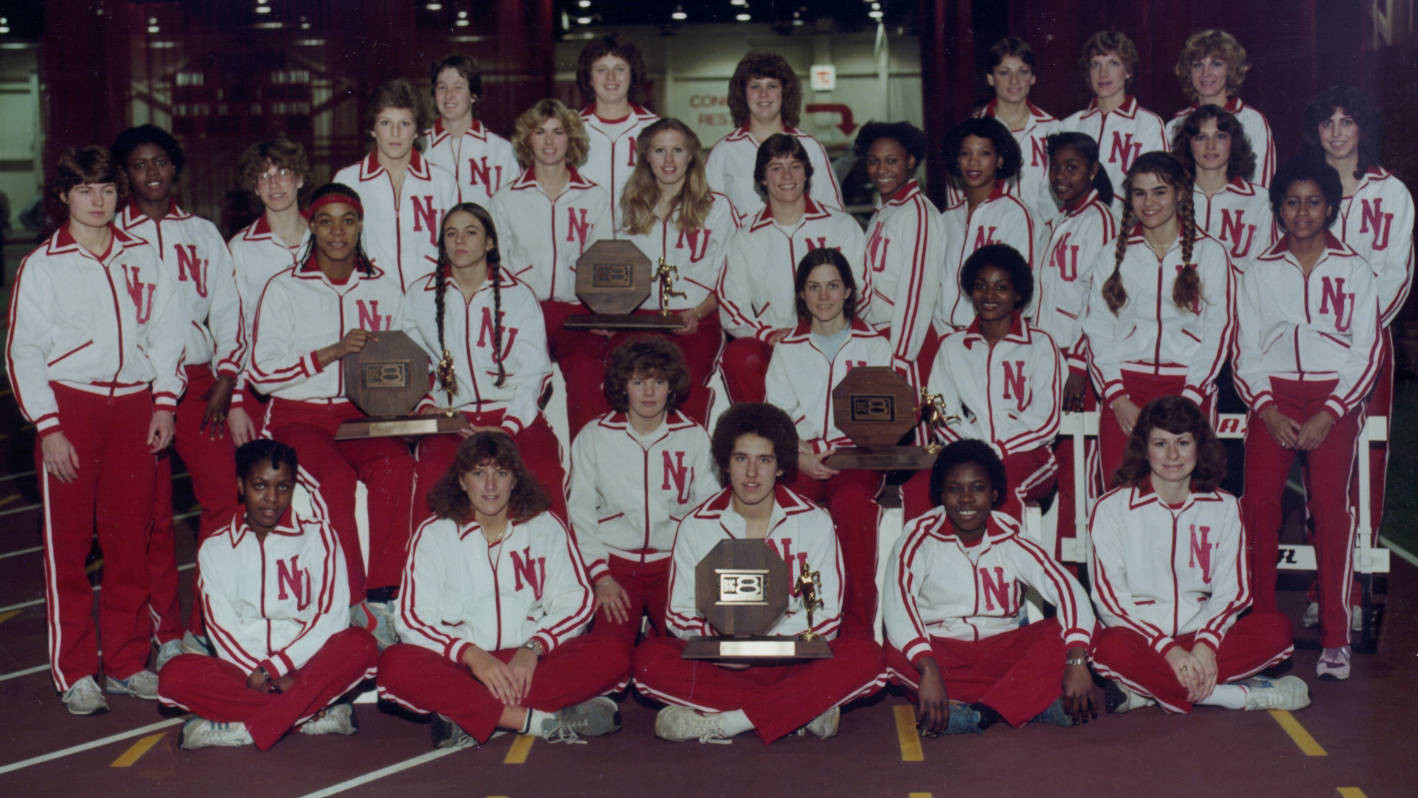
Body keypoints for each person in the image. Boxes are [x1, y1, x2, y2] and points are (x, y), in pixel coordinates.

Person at [6, 145, 185, 714]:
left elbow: (168, 331)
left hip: (135, 407)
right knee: (69, 548)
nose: (98, 201)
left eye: (107, 189)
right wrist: (49, 426)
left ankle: (128, 662)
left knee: (130, 544)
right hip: (72, 409)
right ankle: (76, 670)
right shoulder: (43, 265)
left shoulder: (142, 256)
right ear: (64, 196)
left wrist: (164, 401)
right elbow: (23, 351)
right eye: (85, 190)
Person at [633, 403, 886, 744]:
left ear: (781, 466)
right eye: (741, 459)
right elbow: (679, 612)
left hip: (791, 660)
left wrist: (760, 646)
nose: (751, 473)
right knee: (648, 662)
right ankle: (800, 708)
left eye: (764, 460)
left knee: (866, 657)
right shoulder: (696, 525)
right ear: (725, 463)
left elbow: (823, 616)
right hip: (722, 662)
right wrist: (726, 644)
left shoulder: (813, 521)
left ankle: (730, 721)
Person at [247, 183, 417, 649]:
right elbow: (261, 374)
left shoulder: (383, 287)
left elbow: (406, 357)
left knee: (397, 464)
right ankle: (353, 600)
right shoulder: (285, 287)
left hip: (361, 414)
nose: (337, 231)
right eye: (326, 221)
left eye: (347, 220)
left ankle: (383, 595)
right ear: (312, 228)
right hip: (298, 415)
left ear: (360, 226)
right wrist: (332, 351)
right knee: (336, 481)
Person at [377, 433, 626, 748]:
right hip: (464, 667)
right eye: (478, 473)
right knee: (395, 664)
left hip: (528, 665)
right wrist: (472, 655)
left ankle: (469, 714)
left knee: (614, 651)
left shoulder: (545, 526)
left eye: (501, 473)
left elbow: (576, 601)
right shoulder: (434, 534)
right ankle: (533, 721)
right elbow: (413, 618)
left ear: (515, 480)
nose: (491, 486)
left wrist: (534, 647)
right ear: (462, 481)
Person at [1234, 158, 1380, 681]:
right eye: (1292, 202)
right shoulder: (1258, 270)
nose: (1302, 212)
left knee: (1329, 510)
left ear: (1330, 208)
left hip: (1331, 399)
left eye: (1313, 201)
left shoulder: (1355, 269)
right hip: (1272, 398)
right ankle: (1263, 631)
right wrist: (1266, 408)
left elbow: (1366, 352)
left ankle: (1336, 638)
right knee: (1259, 507)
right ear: (1278, 209)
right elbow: (1245, 351)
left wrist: (1332, 411)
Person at [111, 124, 246, 669]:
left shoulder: (203, 232)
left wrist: (226, 377)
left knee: (223, 500)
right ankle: (164, 631)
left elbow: (228, 307)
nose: (152, 173)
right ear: (125, 174)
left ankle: (205, 624)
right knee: (152, 514)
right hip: (139, 386)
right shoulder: (112, 235)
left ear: (175, 166)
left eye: (161, 161)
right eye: (139, 164)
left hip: (198, 383)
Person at [1088, 397, 1308, 714]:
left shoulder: (1225, 506)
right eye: (1160, 443)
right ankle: (1236, 696)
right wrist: (1168, 650)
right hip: (1145, 640)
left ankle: (1147, 692)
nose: (1172, 455)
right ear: (1144, 448)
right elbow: (1110, 601)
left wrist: (1207, 644)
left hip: (1202, 638)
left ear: (1199, 446)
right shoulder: (1111, 509)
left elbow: (1234, 590)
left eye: (1183, 442)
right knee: (1108, 648)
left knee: (1275, 629)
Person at [157, 440, 378, 749]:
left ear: (293, 488)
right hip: (245, 672)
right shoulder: (216, 548)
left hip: (307, 665)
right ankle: (308, 714)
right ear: (240, 485)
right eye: (259, 485)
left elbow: (331, 617)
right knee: (174, 675)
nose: (271, 498)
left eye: (283, 487)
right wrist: (262, 673)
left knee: (360, 645)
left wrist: (277, 668)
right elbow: (222, 630)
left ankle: (246, 728)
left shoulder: (319, 536)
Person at [884, 440, 1097, 735]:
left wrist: (1075, 658)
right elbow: (898, 607)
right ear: (940, 495)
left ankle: (980, 715)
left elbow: (1067, 589)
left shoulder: (1010, 535)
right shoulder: (918, 538)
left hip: (1000, 653)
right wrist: (928, 667)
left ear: (994, 493)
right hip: (943, 657)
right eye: (954, 489)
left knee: (1074, 631)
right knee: (893, 653)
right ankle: (1027, 704)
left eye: (978, 488)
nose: (966, 499)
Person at [403, 203, 567, 522]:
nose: (460, 240)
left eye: (471, 232)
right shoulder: (418, 295)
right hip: (451, 418)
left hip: (511, 414)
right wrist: (427, 406)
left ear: (490, 242)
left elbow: (536, 372)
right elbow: (412, 366)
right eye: (451, 234)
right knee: (432, 472)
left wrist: (509, 426)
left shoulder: (518, 295)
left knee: (543, 467)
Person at [1303, 86, 1413, 546]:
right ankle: (1323, 566)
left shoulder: (1391, 191)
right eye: (1327, 122)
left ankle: (1362, 558)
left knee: (1369, 450)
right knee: (1316, 453)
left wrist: (1358, 333)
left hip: (1369, 344)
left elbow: (1397, 273)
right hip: (1310, 345)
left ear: (1362, 127)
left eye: (1346, 121)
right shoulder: (1302, 191)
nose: (1336, 132)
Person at [764, 248, 895, 636]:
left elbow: (883, 414)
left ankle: (856, 632)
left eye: (833, 286)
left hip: (857, 458)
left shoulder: (874, 345)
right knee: (785, 508)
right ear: (801, 295)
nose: (824, 297)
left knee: (852, 505)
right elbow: (779, 413)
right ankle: (790, 624)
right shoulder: (787, 348)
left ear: (849, 290)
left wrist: (840, 444)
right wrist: (800, 454)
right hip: (803, 456)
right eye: (814, 287)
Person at [1082, 151, 1234, 485]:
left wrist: (1191, 397)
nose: (1149, 203)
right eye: (1139, 193)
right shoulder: (1113, 254)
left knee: (1188, 495)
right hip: (1125, 389)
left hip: (1187, 386)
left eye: (1159, 192)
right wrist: (1116, 396)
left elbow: (1218, 332)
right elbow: (1097, 329)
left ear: (1180, 193)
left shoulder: (1210, 253)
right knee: (1122, 493)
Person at [579, 117, 738, 427]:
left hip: (695, 318)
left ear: (691, 156)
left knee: (683, 382)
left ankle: (686, 452)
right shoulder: (626, 205)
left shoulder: (716, 207)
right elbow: (600, 265)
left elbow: (731, 277)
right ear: (646, 157)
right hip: (638, 318)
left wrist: (698, 312)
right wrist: (606, 311)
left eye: (677, 150)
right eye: (659, 150)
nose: (668, 160)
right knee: (622, 380)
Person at [568, 338, 717, 649]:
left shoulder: (693, 436)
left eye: (658, 382)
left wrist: (694, 570)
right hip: (616, 566)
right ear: (623, 386)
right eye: (638, 382)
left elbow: (709, 511)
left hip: (673, 565)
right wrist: (601, 577)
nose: (649, 393)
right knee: (609, 651)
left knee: (691, 647)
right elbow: (580, 513)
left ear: (670, 386)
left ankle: (653, 640)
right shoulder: (595, 436)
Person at [907, 245, 1061, 522]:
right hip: (965, 453)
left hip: (1027, 454)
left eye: (1001, 287)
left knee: (1001, 489)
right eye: (981, 286)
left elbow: (1045, 419)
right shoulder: (953, 347)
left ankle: (1004, 553)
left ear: (1018, 294)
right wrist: (971, 450)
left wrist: (997, 450)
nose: (989, 296)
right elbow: (939, 411)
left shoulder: (1040, 344)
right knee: (917, 489)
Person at [490, 97, 611, 435]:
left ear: (571, 140)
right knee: (520, 376)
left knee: (587, 370)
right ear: (527, 139)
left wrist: (601, 312)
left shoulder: (594, 197)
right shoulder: (506, 198)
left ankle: (589, 458)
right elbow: (498, 267)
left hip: (577, 312)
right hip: (527, 312)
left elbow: (605, 263)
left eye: (558, 132)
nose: (548, 140)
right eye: (539, 132)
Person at [717, 134, 868, 403]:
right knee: (740, 355)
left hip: (832, 336)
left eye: (795, 166)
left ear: (806, 173)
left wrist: (825, 328)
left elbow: (861, 289)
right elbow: (732, 305)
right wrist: (766, 334)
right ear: (763, 178)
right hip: (774, 342)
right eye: (776, 168)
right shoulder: (745, 238)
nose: (787, 176)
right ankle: (762, 428)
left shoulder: (840, 225)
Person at [1035, 132, 1116, 556]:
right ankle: (1058, 568)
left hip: (1075, 367)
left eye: (1072, 167)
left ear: (1093, 170)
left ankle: (1079, 573)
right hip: (1049, 361)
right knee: (1057, 469)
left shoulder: (1100, 220)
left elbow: (1100, 302)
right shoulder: (1060, 221)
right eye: (1055, 167)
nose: (1061, 176)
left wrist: (1080, 364)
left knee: (1079, 473)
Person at [333, 78, 458, 290]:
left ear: (417, 130)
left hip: (430, 298)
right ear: (372, 129)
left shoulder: (443, 182)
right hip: (370, 297)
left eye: (405, 123)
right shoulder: (347, 181)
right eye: (385, 123)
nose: (395, 133)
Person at [705, 51, 844, 220]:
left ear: (785, 92)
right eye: (754, 86)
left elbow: (833, 213)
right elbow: (707, 216)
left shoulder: (810, 147)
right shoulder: (724, 151)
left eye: (772, 86)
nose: (763, 94)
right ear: (742, 94)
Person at [934, 117, 1037, 337]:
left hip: (992, 336)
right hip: (946, 337)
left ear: (999, 160)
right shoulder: (947, 218)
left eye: (984, 153)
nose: (973, 162)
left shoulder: (1014, 213)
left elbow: (1022, 287)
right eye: (965, 153)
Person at [855, 121, 944, 375]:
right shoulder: (885, 211)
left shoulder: (917, 213)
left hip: (906, 345)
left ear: (911, 161)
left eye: (892, 161)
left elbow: (917, 292)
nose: (882, 169)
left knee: (918, 404)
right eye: (874, 161)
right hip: (880, 339)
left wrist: (900, 360)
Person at [1061, 31, 1168, 203]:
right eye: (1096, 64)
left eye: (1113, 63)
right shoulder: (1070, 125)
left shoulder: (1148, 124)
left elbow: (1159, 185)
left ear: (1128, 71)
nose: (1103, 73)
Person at [1170, 105, 1276, 269]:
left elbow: (1263, 267)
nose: (1210, 145)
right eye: (1200, 137)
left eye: (1220, 136)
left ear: (1233, 143)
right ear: (1188, 144)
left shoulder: (1260, 200)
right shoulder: (1171, 197)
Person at [1165, 30, 1275, 187]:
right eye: (1198, 65)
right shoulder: (1175, 125)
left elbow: (1262, 187)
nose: (1205, 73)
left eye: (1216, 64)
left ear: (1231, 70)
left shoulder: (1253, 121)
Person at [972, 36, 1061, 219]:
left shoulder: (1053, 128)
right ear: (990, 78)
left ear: (1033, 77)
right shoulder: (973, 129)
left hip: (1043, 233)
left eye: (1023, 71)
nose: (1014, 81)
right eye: (1004, 72)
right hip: (989, 231)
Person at [576, 34, 660, 228]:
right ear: (589, 78)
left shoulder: (657, 129)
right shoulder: (570, 129)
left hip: (642, 236)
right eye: (601, 70)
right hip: (586, 239)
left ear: (632, 76)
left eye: (620, 69)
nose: (611, 77)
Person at [423, 54, 521, 207]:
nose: (448, 95)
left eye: (458, 87)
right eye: (442, 87)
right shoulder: (418, 148)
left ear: (473, 95)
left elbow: (514, 208)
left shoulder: (502, 151)